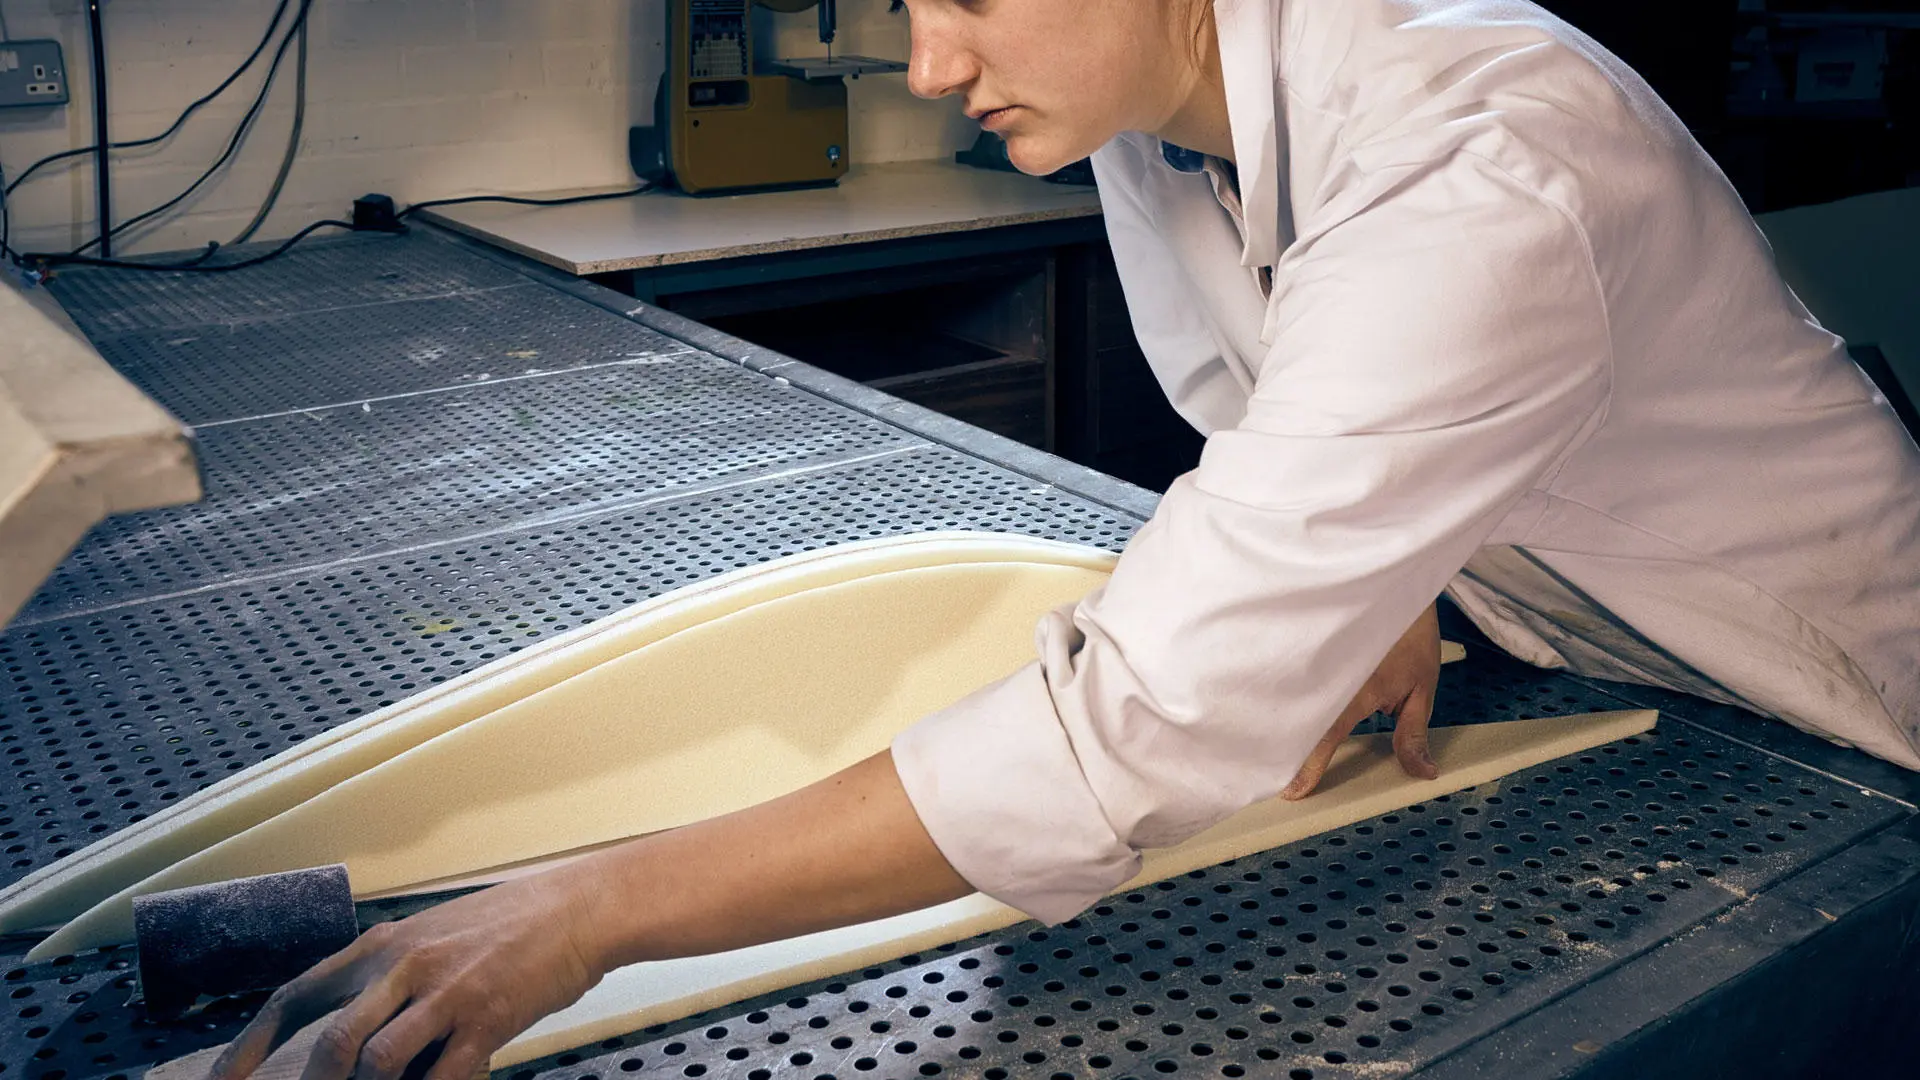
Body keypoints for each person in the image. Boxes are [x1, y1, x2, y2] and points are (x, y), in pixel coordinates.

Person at [210, 1, 1920, 1077]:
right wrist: (1377, 572)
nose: (927, 61)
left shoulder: (1487, 151)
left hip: (1841, 713)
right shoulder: (1159, 127)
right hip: (1589, 647)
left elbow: (1139, 727)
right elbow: (1277, 417)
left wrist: (580, 916)